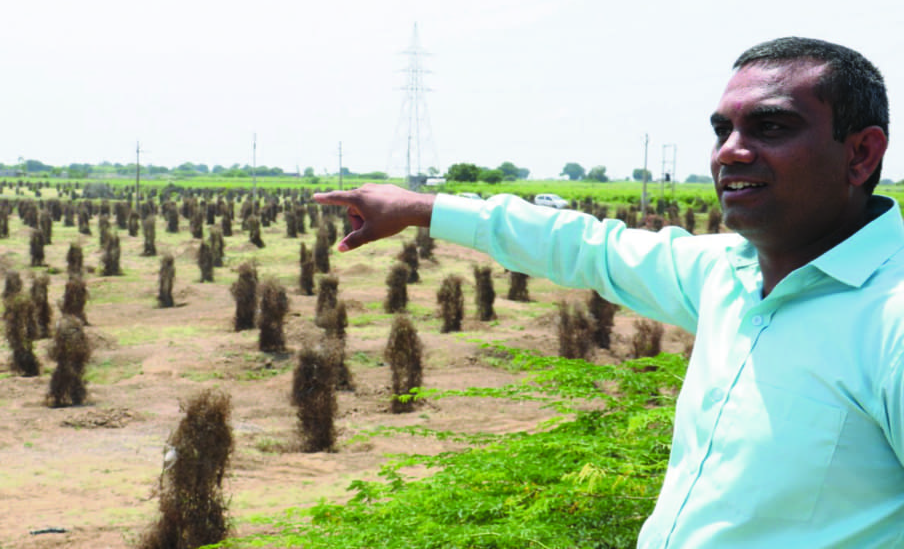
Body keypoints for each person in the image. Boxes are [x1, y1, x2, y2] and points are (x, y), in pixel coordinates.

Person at [314, 37, 904, 548]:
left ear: (860, 153)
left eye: (771, 126)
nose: (731, 151)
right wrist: (420, 208)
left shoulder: (891, 321)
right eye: (724, 130)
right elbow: (588, 247)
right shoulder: (725, 274)